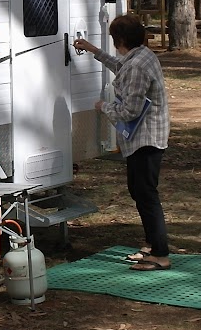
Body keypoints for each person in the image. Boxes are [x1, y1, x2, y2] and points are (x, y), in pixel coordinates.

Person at [73, 14, 172, 270]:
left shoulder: (137, 67)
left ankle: (160, 255)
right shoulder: (141, 56)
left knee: (146, 195)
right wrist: (93, 50)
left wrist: (103, 106)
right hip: (143, 138)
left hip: (146, 139)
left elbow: (130, 112)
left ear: (120, 39)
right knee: (138, 192)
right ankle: (151, 245)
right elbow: (121, 67)